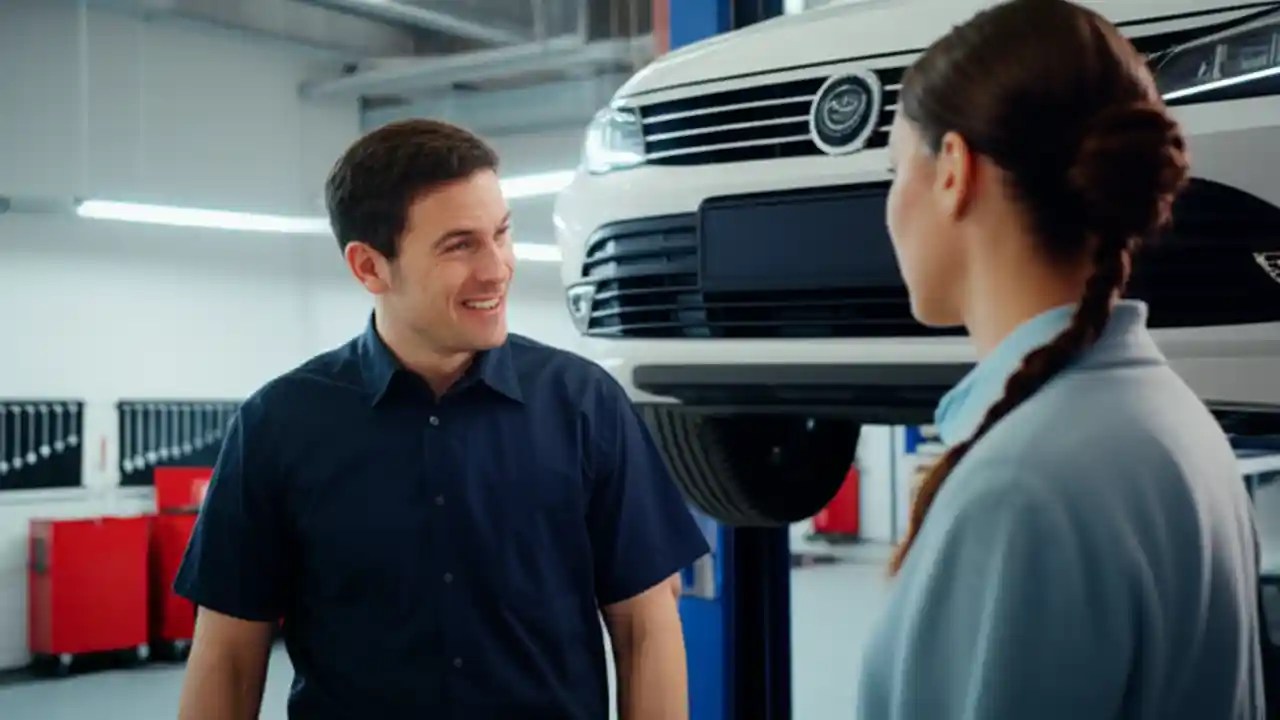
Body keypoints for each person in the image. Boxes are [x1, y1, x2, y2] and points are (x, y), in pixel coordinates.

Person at [173, 119, 711, 719]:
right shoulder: (278, 426)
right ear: (370, 268)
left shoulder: (585, 406)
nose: (498, 268)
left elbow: (646, 630)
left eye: (501, 234)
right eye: (460, 245)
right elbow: (227, 657)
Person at [859, 0, 1264, 718]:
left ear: (954, 170)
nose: (889, 207)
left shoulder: (1020, 486)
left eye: (896, 169)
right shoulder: (1171, 421)